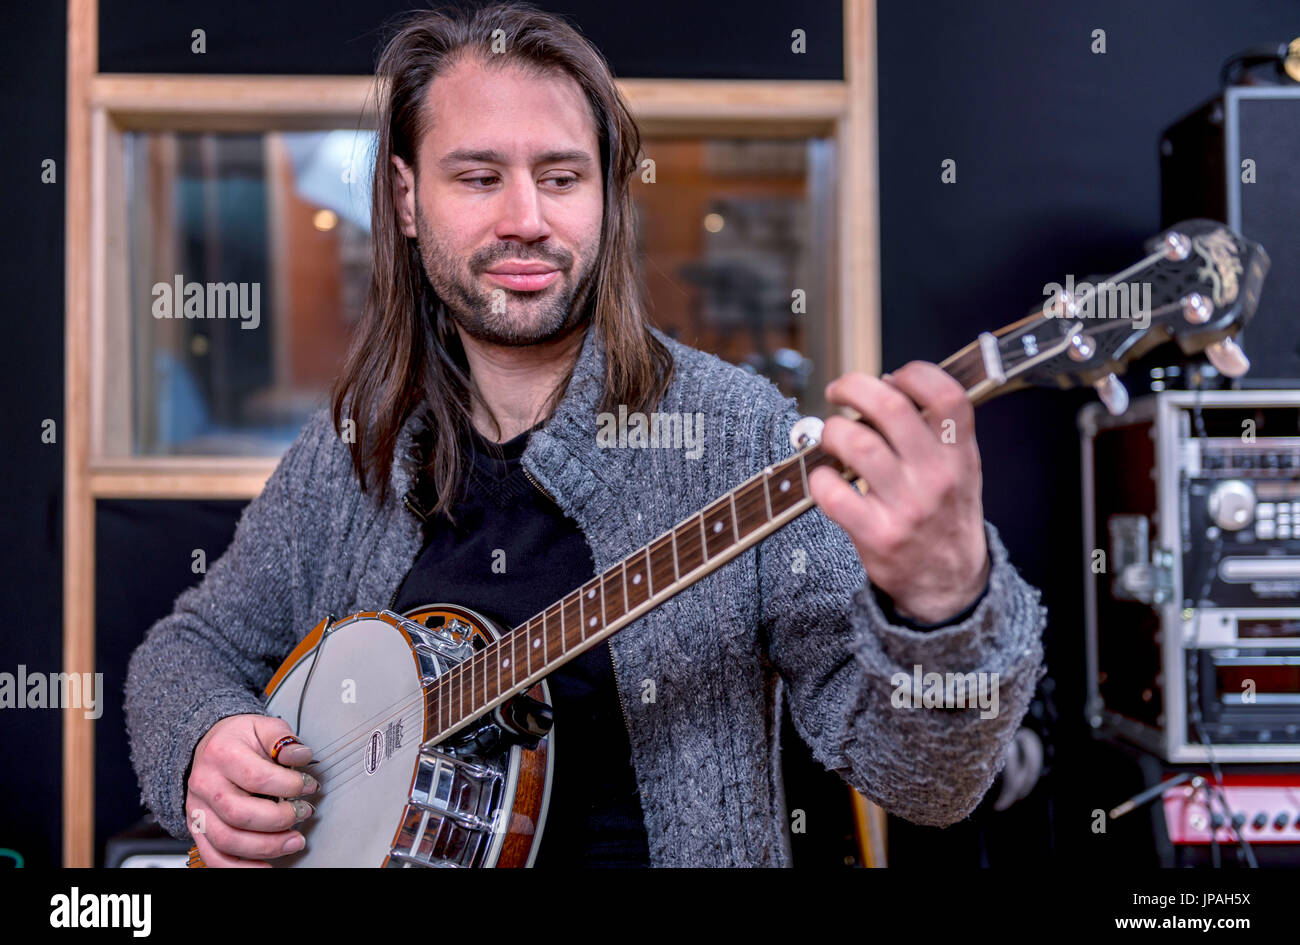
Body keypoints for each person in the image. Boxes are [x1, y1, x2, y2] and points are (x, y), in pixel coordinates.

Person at [124, 1, 1047, 868]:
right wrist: (204, 738)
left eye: (561, 177)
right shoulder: (351, 453)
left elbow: (926, 782)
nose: (526, 219)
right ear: (406, 199)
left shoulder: (738, 437)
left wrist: (946, 605)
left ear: (606, 194)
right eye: (478, 177)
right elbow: (186, 649)